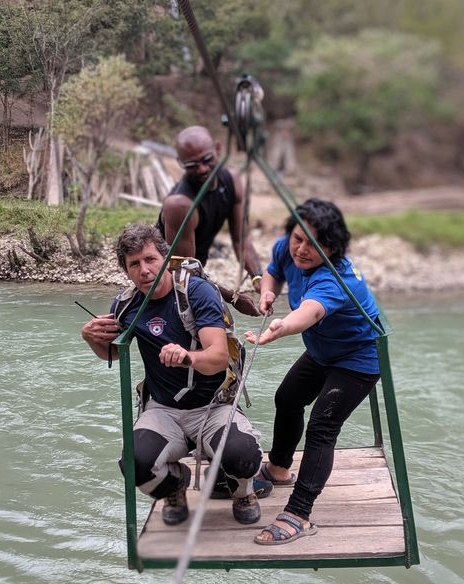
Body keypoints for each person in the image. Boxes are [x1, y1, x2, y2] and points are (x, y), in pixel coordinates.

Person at [80, 224, 269, 526]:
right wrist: (92, 339)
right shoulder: (126, 305)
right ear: (126, 271)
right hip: (164, 409)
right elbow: (115, 354)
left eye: (150, 259)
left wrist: (186, 357)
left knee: (242, 455)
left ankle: (242, 491)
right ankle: (176, 485)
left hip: (214, 406)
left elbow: (219, 358)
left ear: (166, 259)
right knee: (134, 464)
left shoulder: (197, 293)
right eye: (134, 264)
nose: (144, 270)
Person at [244, 198, 383, 545]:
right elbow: (275, 268)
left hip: (357, 358)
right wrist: (267, 290)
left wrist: (280, 327)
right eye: (298, 238)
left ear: (333, 248)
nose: (302, 249)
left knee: (322, 426)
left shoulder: (335, 279)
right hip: (324, 351)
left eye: (316, 243)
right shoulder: (287, 247)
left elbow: (310, 311)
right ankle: (278, 467)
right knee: (287, 398)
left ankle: (299, 514)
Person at [158, 126, 264, 293]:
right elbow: (184, 274)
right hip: (164, 285)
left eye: (207, 159)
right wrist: (231, 298)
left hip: (193, 279)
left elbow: (241, 240)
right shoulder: (180, 205)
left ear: (218, 149)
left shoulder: (232, 181)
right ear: (180, 162)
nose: (202, 169)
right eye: (192, 165)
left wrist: (258, 278)